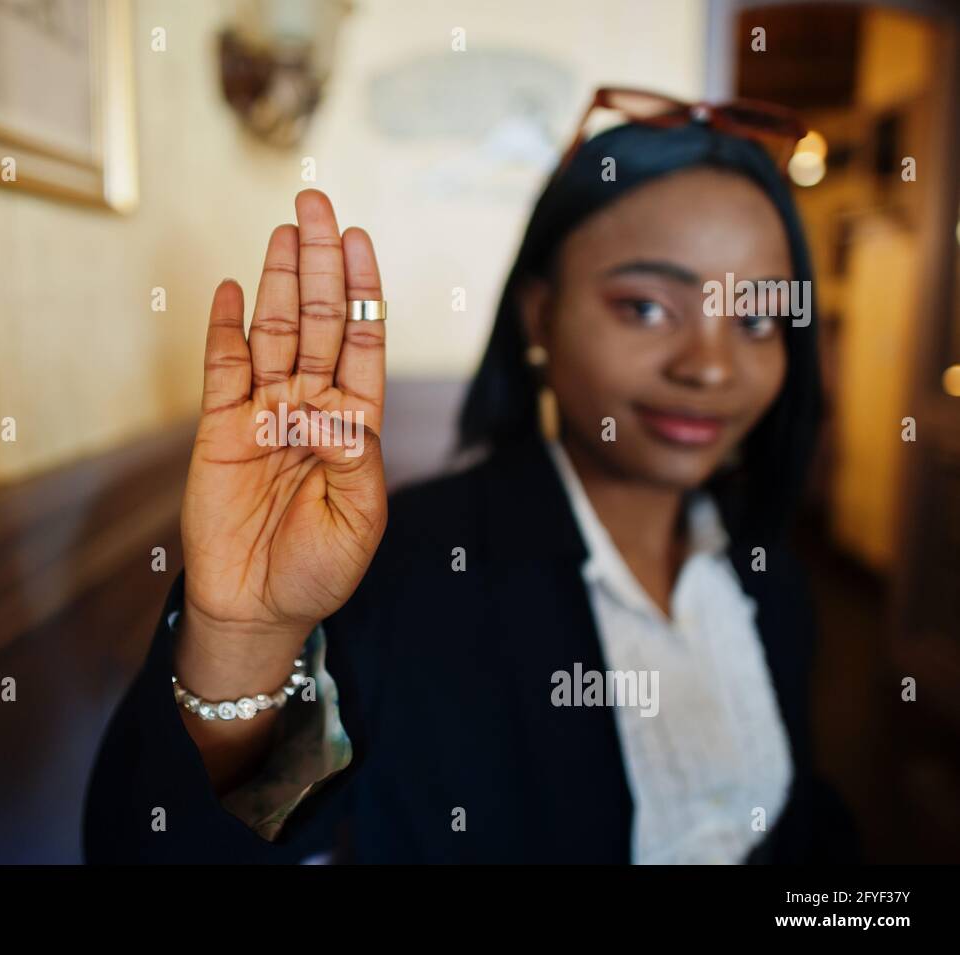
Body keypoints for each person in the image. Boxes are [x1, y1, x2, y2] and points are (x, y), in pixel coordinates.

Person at [82, 90, 858, 863]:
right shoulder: (403, 570)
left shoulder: (768, 579)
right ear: (539, 314)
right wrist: (242, 639)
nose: (711, 366)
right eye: (648, 309)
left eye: (756, 318)